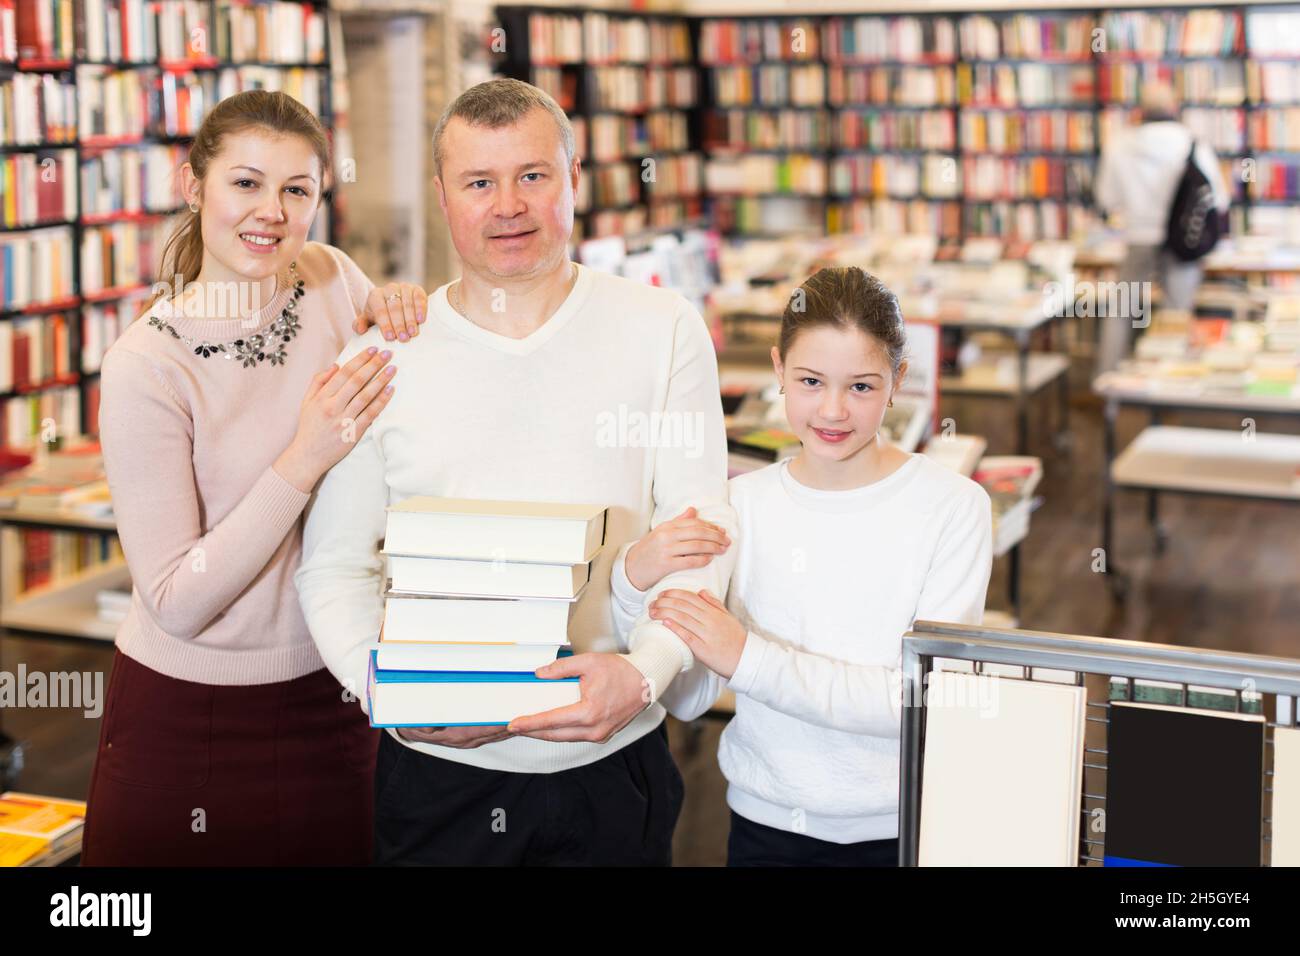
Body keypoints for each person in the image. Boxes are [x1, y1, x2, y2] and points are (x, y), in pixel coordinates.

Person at [294, 77, 737, 866]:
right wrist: (386, 695)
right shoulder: (378, 355)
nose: (509, 205)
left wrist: (644, 676)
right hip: (436, 776)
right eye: (479, 182)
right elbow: (332, 567)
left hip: (614, 765)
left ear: (574, 177)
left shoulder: (662, 328)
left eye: (532, 175)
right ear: (442, 195)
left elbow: (701, 536)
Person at [81, 90, 426, 866]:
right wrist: (305, 454)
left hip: (334, 686)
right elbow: (175, 600)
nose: (270, 211)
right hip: (186, 715)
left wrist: (401, 303)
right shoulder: (147, 364)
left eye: (296, 190)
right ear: (192, 186)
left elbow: (402, 341)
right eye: (245, 182)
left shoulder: (332, 277)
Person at [610, 267, 993, 867]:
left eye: (862, 386)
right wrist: (633, 583)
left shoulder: (954, 506)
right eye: (810, 381)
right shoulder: (738, 506)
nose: (833, 410)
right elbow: (688, 698)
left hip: (903, 829)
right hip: (765, 829)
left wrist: (749, 658)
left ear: (898, 380)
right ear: (777, 371)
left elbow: (918, 700)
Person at [1094, 81, 1232, 373]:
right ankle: (1168, 382)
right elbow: (1217, 197)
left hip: (1138, 237)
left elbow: (1106, 199)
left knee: (1122, 310)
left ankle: (1107, 382)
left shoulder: (1119, 144)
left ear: (1140, 110)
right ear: (1174, 107)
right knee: (1176, 313)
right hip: (1182, 240)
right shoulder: (1191, 143)